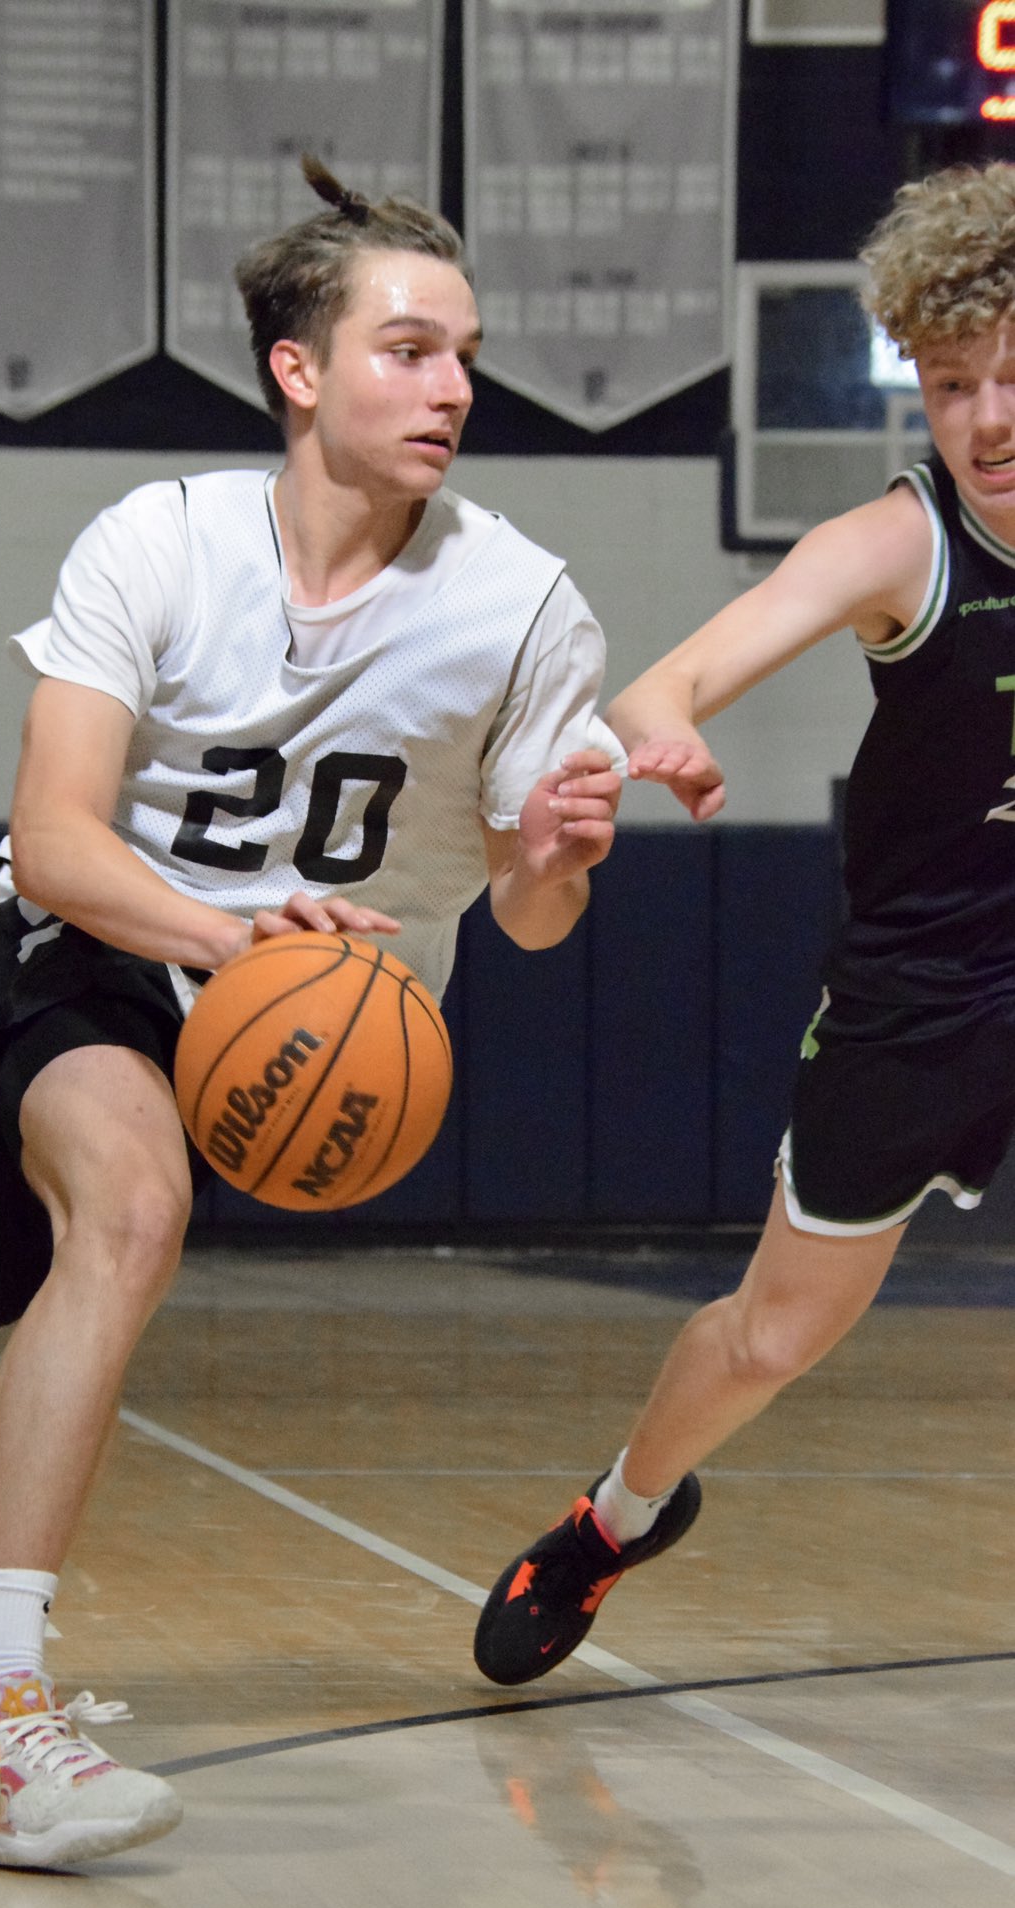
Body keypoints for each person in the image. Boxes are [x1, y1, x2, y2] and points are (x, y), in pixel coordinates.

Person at [0, 158, 621, 1865]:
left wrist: (551, 855)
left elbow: (534, 927)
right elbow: (55, 837)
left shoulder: (523, 604)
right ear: (298, 371)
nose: (453, 385)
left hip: (267, 1036)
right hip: (87, 953)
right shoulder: (160, 542)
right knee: (136, 1199)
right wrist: (228, 942)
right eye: (406, 348)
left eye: (464, 352)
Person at [472, 157, 1015, 1689]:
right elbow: (661, 684)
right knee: (772, 1339)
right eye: (954, 383)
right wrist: (665, 736)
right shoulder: (897, 549)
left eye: (1014, 377)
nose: (987, 418)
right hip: (921, 992)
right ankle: (619, 1514)